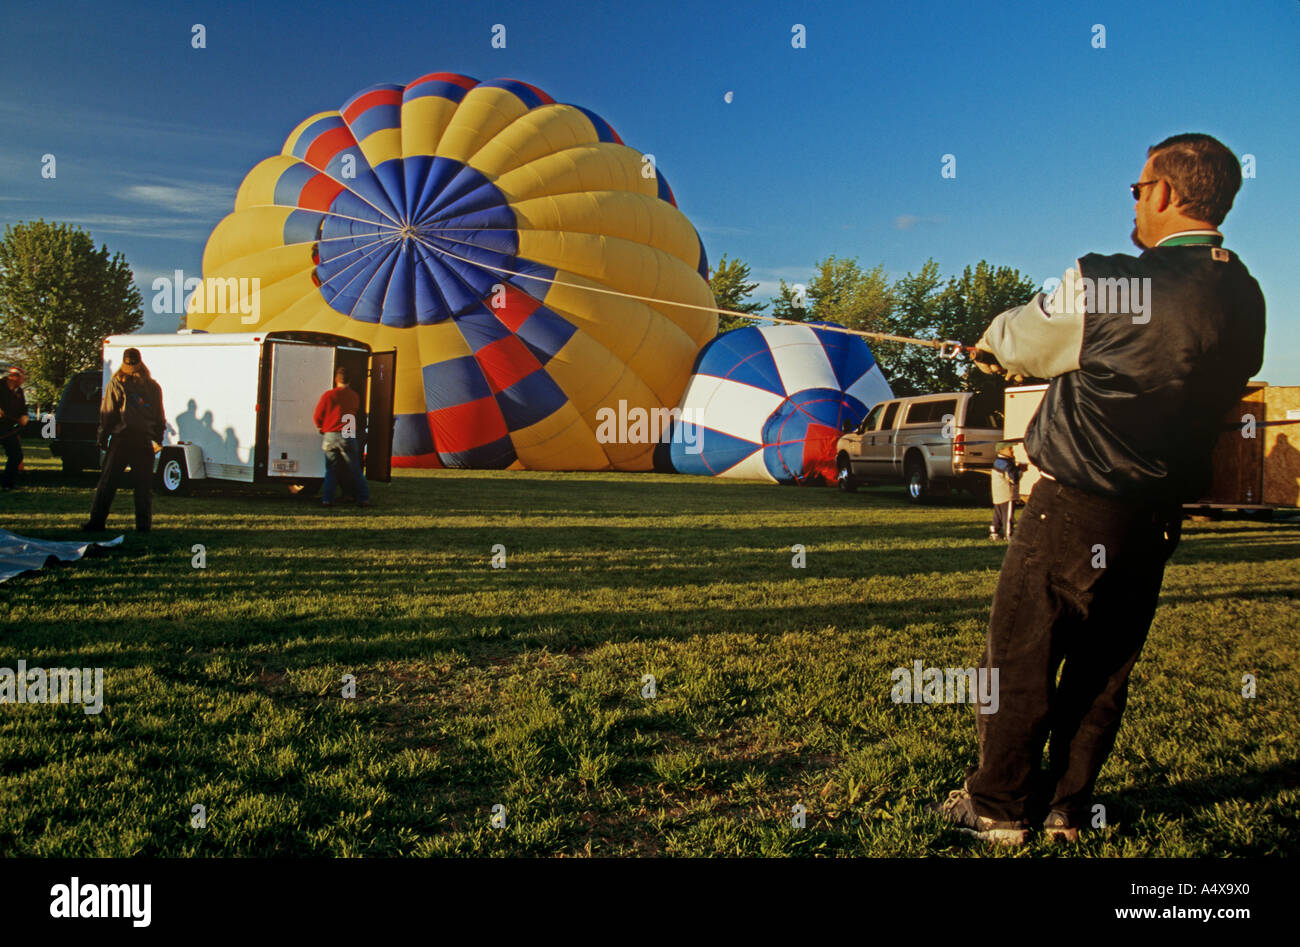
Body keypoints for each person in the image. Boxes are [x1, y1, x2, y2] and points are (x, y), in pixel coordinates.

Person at [937, 133, 1266, 845]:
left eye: (1139, 187)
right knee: (1104, 665)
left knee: (1020, 652)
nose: (1135, 200)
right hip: (1156, 517)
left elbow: (1019, 339)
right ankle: (1067, 805)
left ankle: (997, 803)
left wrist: (989, 345)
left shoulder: (1108, 280)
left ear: (1168, 193)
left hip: (1073, 501)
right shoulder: (1248, 298)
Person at [83, 348, 166, 533]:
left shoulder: (117, 383)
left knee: (107, 484)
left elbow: (108, 414)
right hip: (144, 441)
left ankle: (96, 523)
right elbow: (160, 416)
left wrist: (102, 438)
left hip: (122, 440)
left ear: (124, 363)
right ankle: (143, 527)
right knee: (143, 487)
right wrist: (158, 438)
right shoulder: (153, 386)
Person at [312, 367, 370, 508]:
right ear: (349, 381)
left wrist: (321, 426)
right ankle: (363, 498)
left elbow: (317, 415)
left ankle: (327, 500)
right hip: (347, 433)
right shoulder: (354, 396)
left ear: (335, 380)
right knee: (355, 468)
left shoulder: (328, 395)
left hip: (330, 434)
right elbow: (353, 413)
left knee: (331, 470)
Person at [0, 367, 29, 491]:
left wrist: (24, 416)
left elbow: (23, 408)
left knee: (16, 455)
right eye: (22, 377)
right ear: (13, 377)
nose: (23, 380)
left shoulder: (19, 391)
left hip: (7, 428)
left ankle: (8, 484)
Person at [988, 442, 1019, 541]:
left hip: (998, 495)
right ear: (1001, 450)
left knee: (998, 515)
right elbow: (1013, 478)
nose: (1012, 451)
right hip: (1007, 495)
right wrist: (1021, 470)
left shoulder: (998, 462)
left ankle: (994, 532)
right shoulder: (1005, 463)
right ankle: (1009, 535)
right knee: (1008, 516)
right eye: (1010, 449)